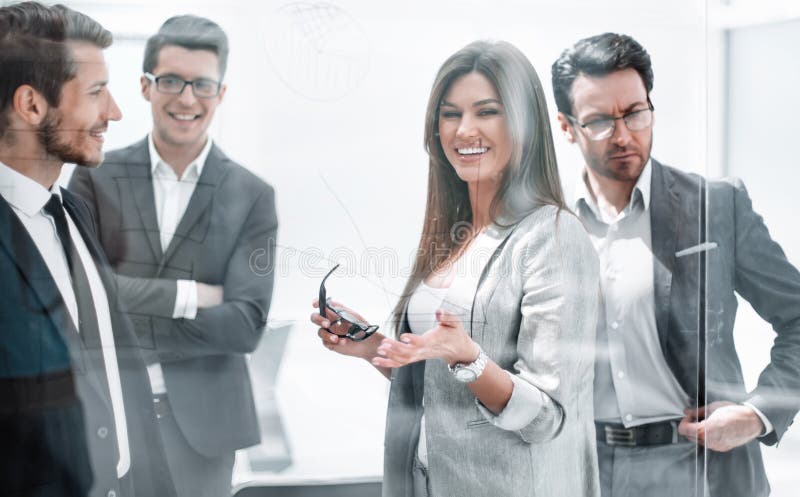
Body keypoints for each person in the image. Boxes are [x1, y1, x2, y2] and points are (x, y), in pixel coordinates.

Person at [310, 40, 600, 497]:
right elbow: (440, 385)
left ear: (523, 123)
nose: (464, 130)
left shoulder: (554, 236)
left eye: (486, 112)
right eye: (450, 114)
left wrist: (467, 357)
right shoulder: (453, 237)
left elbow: (547, 417)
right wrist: (374, 348)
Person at [551, 32, 800, 497]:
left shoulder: (716, 206)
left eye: (635, 113)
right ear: (567, 127)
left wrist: (758, 412)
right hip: (585, 472)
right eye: (601, 120)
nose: (623, 135)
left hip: (701, 469)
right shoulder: (548, 227)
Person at [69, 14, 278, 497]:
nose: (186, 99)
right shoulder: (93, 178)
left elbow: (245, 325)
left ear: (221, 93)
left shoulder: (251, 194)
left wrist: (126, 315)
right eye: (170, 81)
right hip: (111, 419)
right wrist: (189, 296)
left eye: (202, 84)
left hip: (205, 431)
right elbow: (85, 295)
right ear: (145, 86)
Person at [0, 3, 175, 497]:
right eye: (97, 92)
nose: (114, 112)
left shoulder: (75, 211)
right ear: (32, 105)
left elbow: (119, 377)